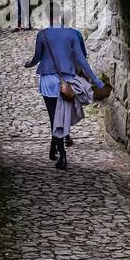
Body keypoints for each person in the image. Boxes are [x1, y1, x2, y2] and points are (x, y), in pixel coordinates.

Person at [24, 16, 103, 169]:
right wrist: (95, 80)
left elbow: (36, 58)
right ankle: (53, 149)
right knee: (61, 117)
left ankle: (62, 154)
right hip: (66, 81)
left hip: (48, 80)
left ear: (48, 17)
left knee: (54, 117)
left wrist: (28, 64)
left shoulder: (43, 34)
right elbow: (81, 59)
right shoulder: (73, 34)